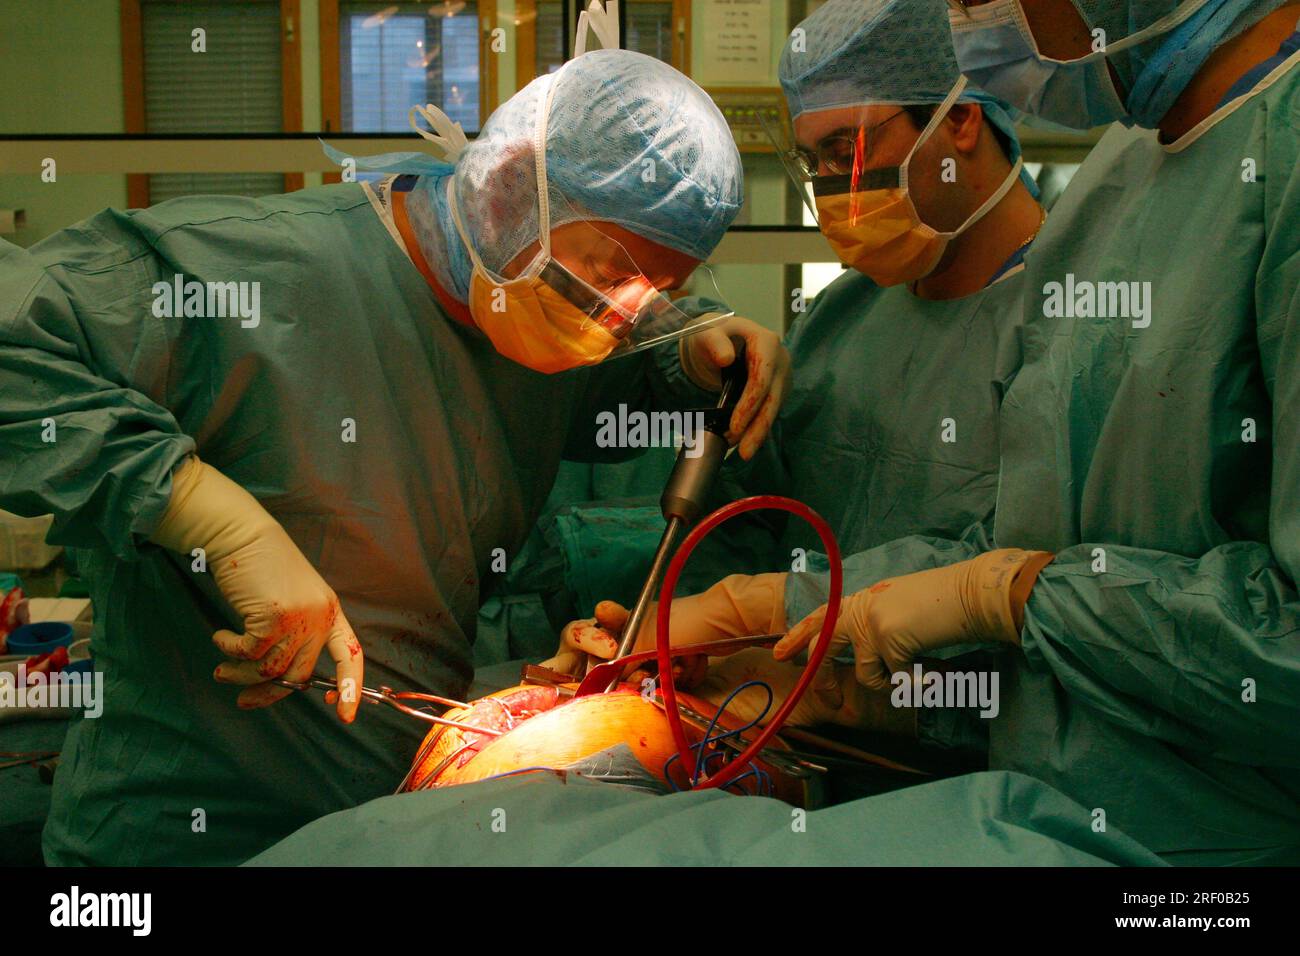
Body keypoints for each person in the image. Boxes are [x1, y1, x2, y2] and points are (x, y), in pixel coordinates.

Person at [0, 48, 790, 865]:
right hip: (179, 836)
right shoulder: (246, 273)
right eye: (605, 277)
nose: (616, 320)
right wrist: (210, 516)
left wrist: (687, 357)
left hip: (387, 830)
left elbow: (598, 378)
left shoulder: (538, 325)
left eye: (657, 293)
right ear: (513, 186)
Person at [772, 0, 1300, 864]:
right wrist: (777, 606)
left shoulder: (1279, 165)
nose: (972, 26)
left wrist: (1014, 598)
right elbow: (1033, 519)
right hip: (1043, 803)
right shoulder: (1122, 176)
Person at [547, 0, 1047, 736]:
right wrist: (697, 635)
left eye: (845, 148)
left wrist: (764, 606)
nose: (829, 192)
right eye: (812, 161)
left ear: (959, 122)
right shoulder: (848, 314)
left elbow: (1030, 574)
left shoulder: (1065, 320)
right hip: (809, 715)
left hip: (975, 742)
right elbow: (768, 511)